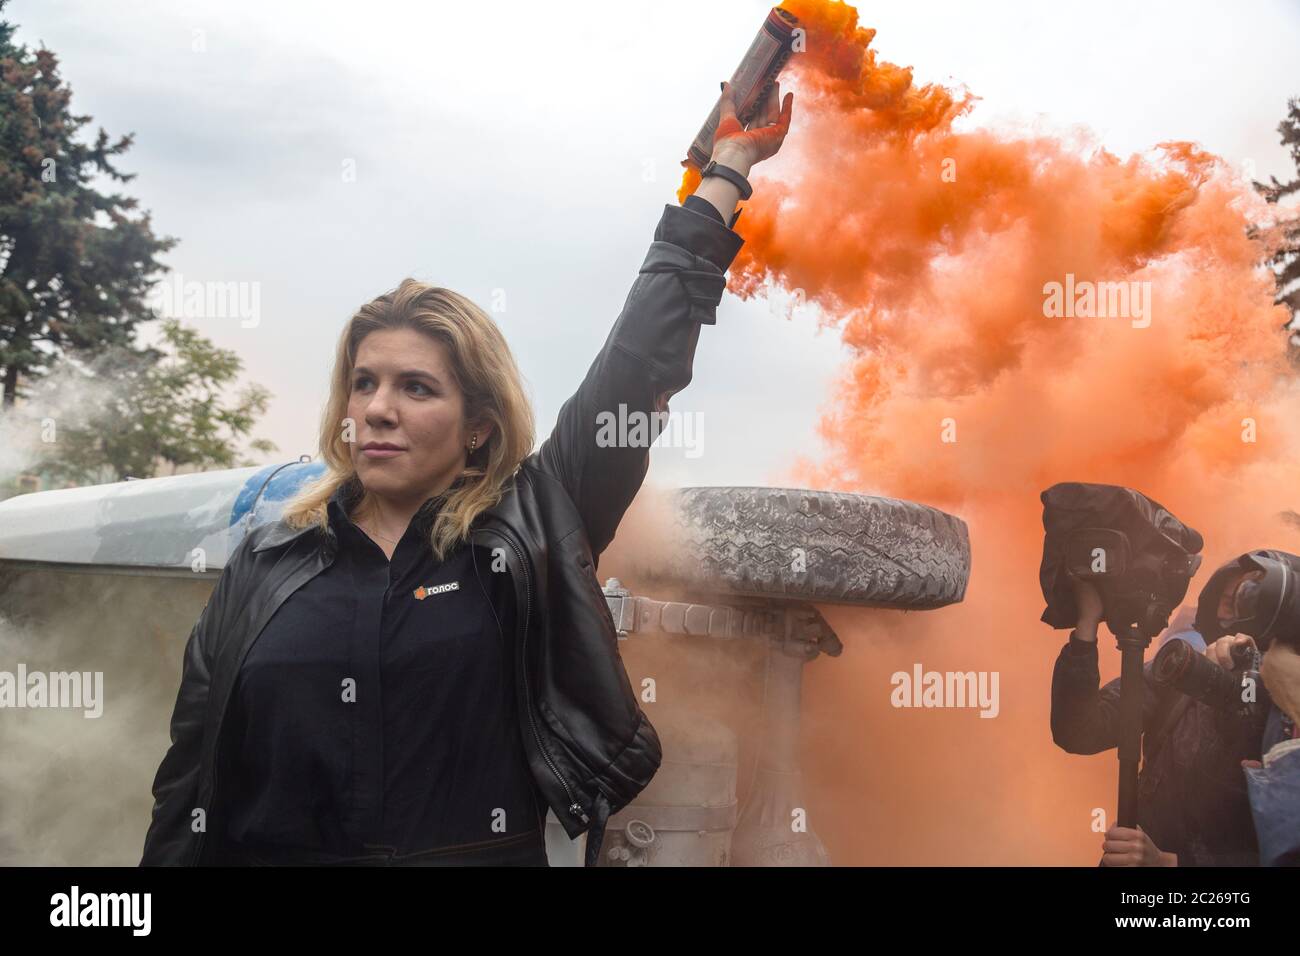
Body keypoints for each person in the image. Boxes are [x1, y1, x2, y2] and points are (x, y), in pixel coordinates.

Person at [140, 78, 794, 867]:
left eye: (418, 388)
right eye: (365, 381)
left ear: (478, 425)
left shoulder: (533, 530)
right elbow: (187, 786)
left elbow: (636, 368)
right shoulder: (263, 565)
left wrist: (726, 171)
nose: (379, 409)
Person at [1051, 581, 1264, 866]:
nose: (1233, 616)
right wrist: (1087, 622)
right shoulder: (1183, 666)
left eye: (1251, 600)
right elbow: (1079, 731)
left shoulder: (1286, 707)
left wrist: (1167, 862)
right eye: (1229, 598)